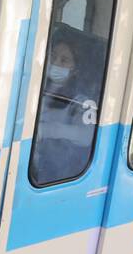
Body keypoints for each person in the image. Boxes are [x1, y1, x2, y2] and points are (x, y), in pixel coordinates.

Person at [30, 29, 103, 186]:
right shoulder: (37, 87)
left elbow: (86, 135)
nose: (56, 63)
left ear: (75, 68)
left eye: (64, 60)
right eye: (54, 56)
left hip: (56, 171)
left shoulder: (81, 99)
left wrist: (47, 130)